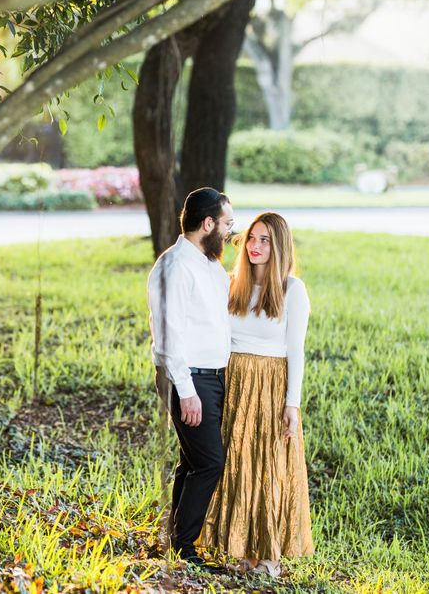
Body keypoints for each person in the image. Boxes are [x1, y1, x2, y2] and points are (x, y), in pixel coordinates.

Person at [199, 211, 313, 576]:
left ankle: (269, 555)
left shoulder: (292, 290)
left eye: (264, 240)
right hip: (232, 381)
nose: (255, 246)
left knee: (267, 464)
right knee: (236, 462)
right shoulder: (234, 284)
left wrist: (291, 403)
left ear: (279, 246)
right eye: (251, 238)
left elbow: (296, 349)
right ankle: (242, 549)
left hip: (270, 383)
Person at [147, 187, 235, 567]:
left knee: (192, 460)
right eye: (228, 223)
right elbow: (168, 335)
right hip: (188, 379)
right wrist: (187, 391)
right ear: (208, 223)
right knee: (210, 462)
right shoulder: (174, 266)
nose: (233, 231)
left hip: (211, 377)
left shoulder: (209, 262)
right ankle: (184, 547)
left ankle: (175, 541)